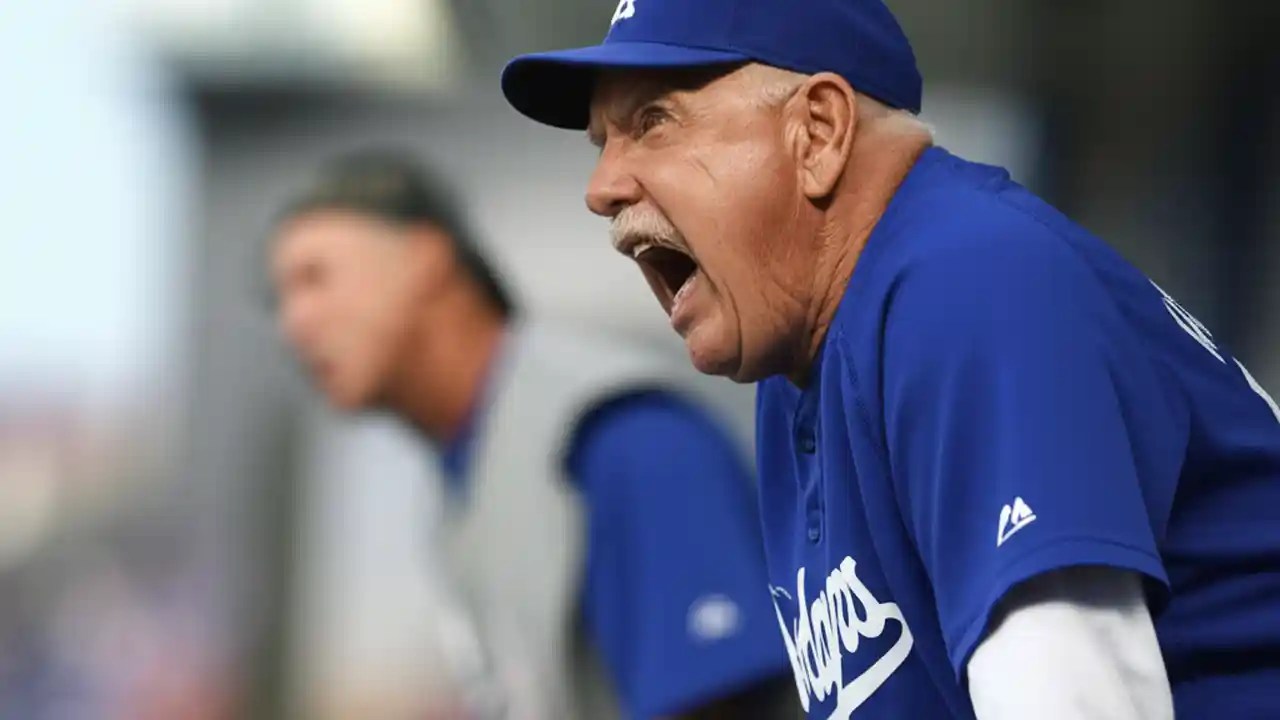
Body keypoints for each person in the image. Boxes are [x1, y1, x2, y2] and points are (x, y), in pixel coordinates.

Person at [498, 0, 1280, 718]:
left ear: (819, 132)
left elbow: (1073, 699)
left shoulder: (968, 284)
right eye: (605, 143)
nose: (602, 187)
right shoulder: (801, 362)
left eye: (656, 121)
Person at [267, 152, 796, 719]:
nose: (294, 323)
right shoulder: (475, 460)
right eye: (282, 299)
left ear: (426, 258)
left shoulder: (617, 438)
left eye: (316, 278)